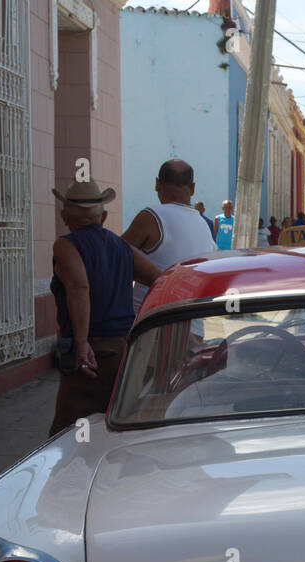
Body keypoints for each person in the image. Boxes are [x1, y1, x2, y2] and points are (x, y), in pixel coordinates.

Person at [49, 179, 163, 437]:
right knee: (115, 425)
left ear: (65, 215)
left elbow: (79, 287)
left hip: (92, 351)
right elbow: (160, 280)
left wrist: (80, 343)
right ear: (104, 216)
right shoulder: (121, 246)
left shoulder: (65, 245)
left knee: (69, 432)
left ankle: (73, 478)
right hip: (125, 348)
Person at [122, 159, 217, 314]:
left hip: (151, 324)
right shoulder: (205, 224)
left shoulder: (151, 217)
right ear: (192, 188)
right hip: (194, 324)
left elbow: (114, 255)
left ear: (157, 184)